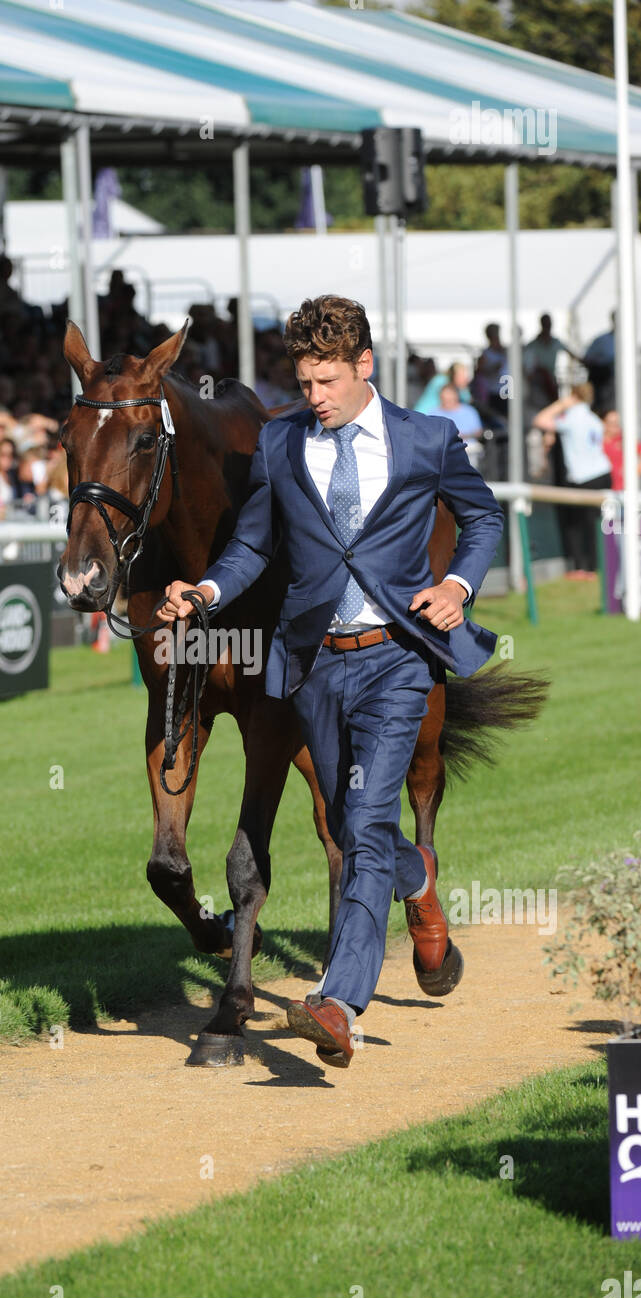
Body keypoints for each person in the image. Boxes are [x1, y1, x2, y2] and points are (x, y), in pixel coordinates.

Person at [159, 295, 503, 1069]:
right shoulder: (280, 442)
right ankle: (417, 879)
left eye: (327, 381)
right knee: (353, 824)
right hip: (312, 663)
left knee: (367, 819)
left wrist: (457, 587)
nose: (313, 397)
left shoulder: (426, 438)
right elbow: (252, 546)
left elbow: (482, 519)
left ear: (363, 365)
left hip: (397, 659)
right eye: (304, 381)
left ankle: (338, 1002)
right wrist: (207, 592)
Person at [533, 382, 611, 578]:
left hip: (583, 477)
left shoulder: (572, 417)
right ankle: (594, 566)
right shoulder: (593, 418)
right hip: (601, 472)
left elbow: (540, 419)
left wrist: (560, 404)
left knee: (577, 525)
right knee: (594, 523)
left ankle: (583, 568)